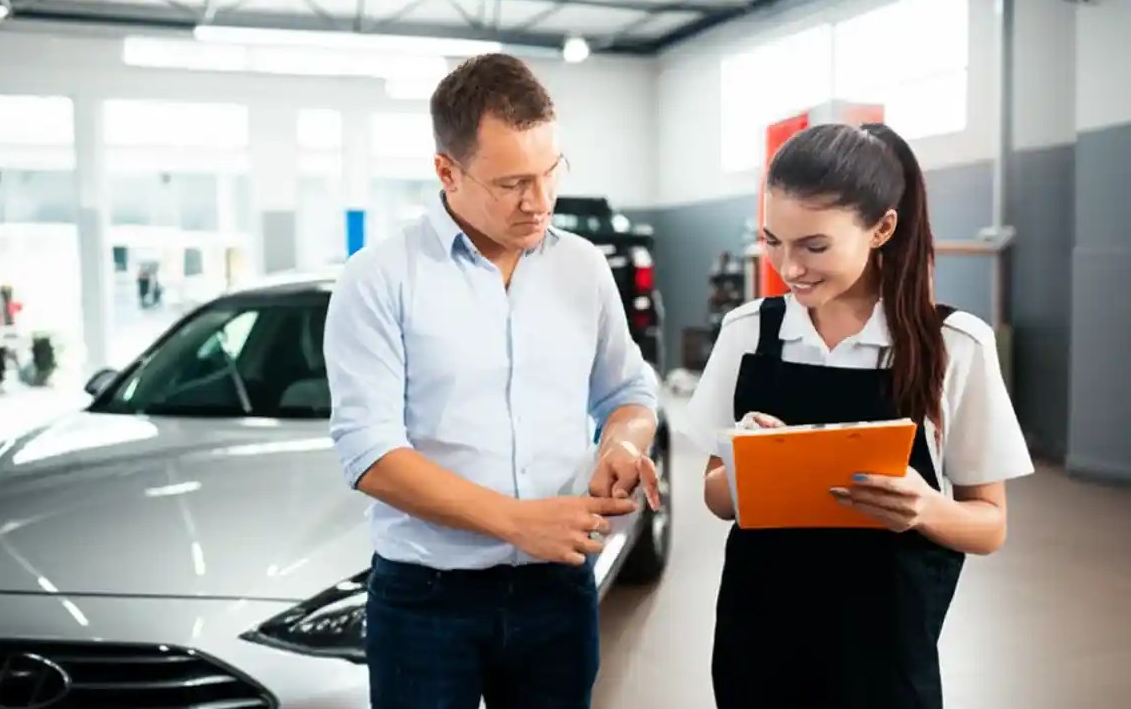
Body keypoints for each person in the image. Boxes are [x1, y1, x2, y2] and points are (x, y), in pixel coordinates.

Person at [323, 54, 662, 708]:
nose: (539, 202)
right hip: (427, 602)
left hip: (556, 590)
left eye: (549, 172)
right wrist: (515, 523)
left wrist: (623, 442)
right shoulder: (381, 278)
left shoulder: (583, 268)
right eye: (512, 183)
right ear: (446, 172)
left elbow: (628, 392)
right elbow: (369, 454)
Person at [685, 122, 1034, 709]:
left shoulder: (953, 345)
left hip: (886, 658)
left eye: (814, 246)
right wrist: (745, 465)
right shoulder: (748, 333)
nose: (788, 267)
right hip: (759, 645)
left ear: (882, 228)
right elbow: (716, 498)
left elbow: (989, 525)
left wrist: (924, 506)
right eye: (774, 241)